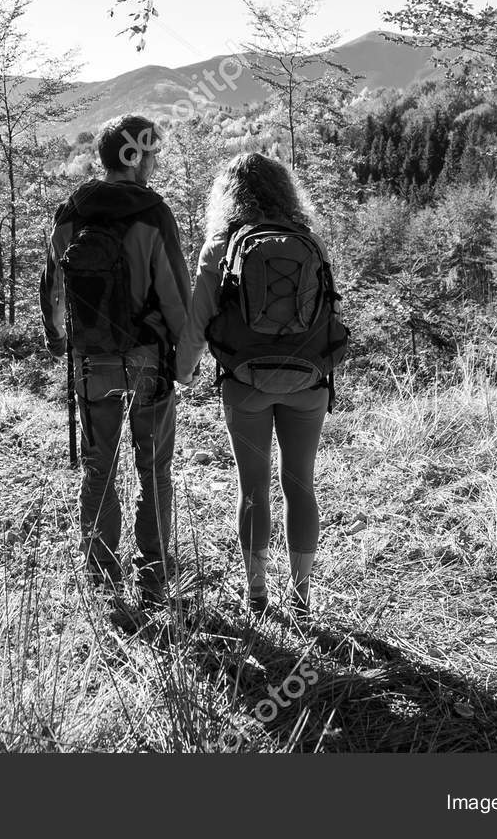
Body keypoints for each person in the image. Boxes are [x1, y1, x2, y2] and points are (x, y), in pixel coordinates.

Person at [177, 151, 345, 618]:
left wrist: (183, 374)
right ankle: (303, 595)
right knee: (301, 486)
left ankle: (257, 594)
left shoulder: (220, 245)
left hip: (244, 381)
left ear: (230, 195)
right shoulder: (310, 241)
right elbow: (329, 315)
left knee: (252, 487)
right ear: (284, 190)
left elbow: (197, 323)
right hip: (307, 382)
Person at [41, 114, 193, 607]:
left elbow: (53, 285)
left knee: (99, 464)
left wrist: (58, 338)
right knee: (153, 468)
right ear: (134, 156)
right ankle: (154, 574)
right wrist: (185, 358)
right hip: (148, 357)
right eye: (150, 153)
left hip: (92, 359)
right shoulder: (154, 213)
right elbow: (175, 293)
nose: (154, 162)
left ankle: (102, 571)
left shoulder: (72, 210)